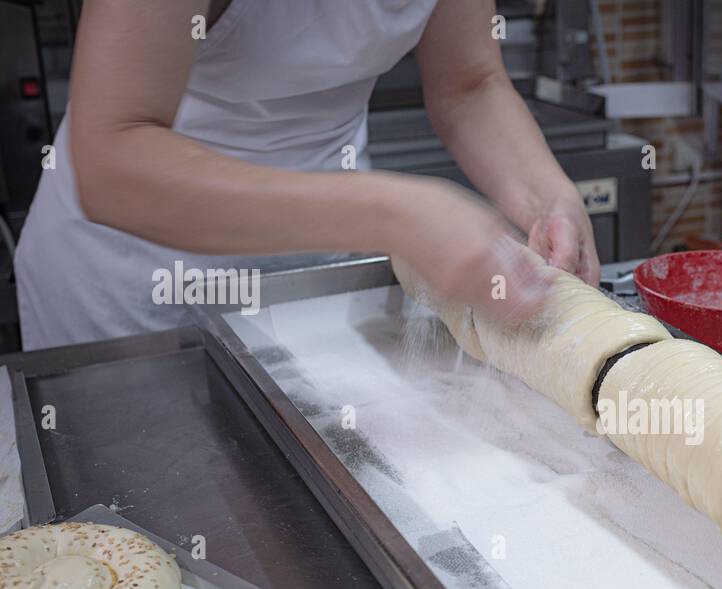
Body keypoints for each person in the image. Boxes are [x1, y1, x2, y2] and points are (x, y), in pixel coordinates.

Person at [16, 0, 598, 350]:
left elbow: (469, 83)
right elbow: (112, 161)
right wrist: (391, 215)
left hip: (316, 271)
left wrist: (547, 197)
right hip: (136, 278)